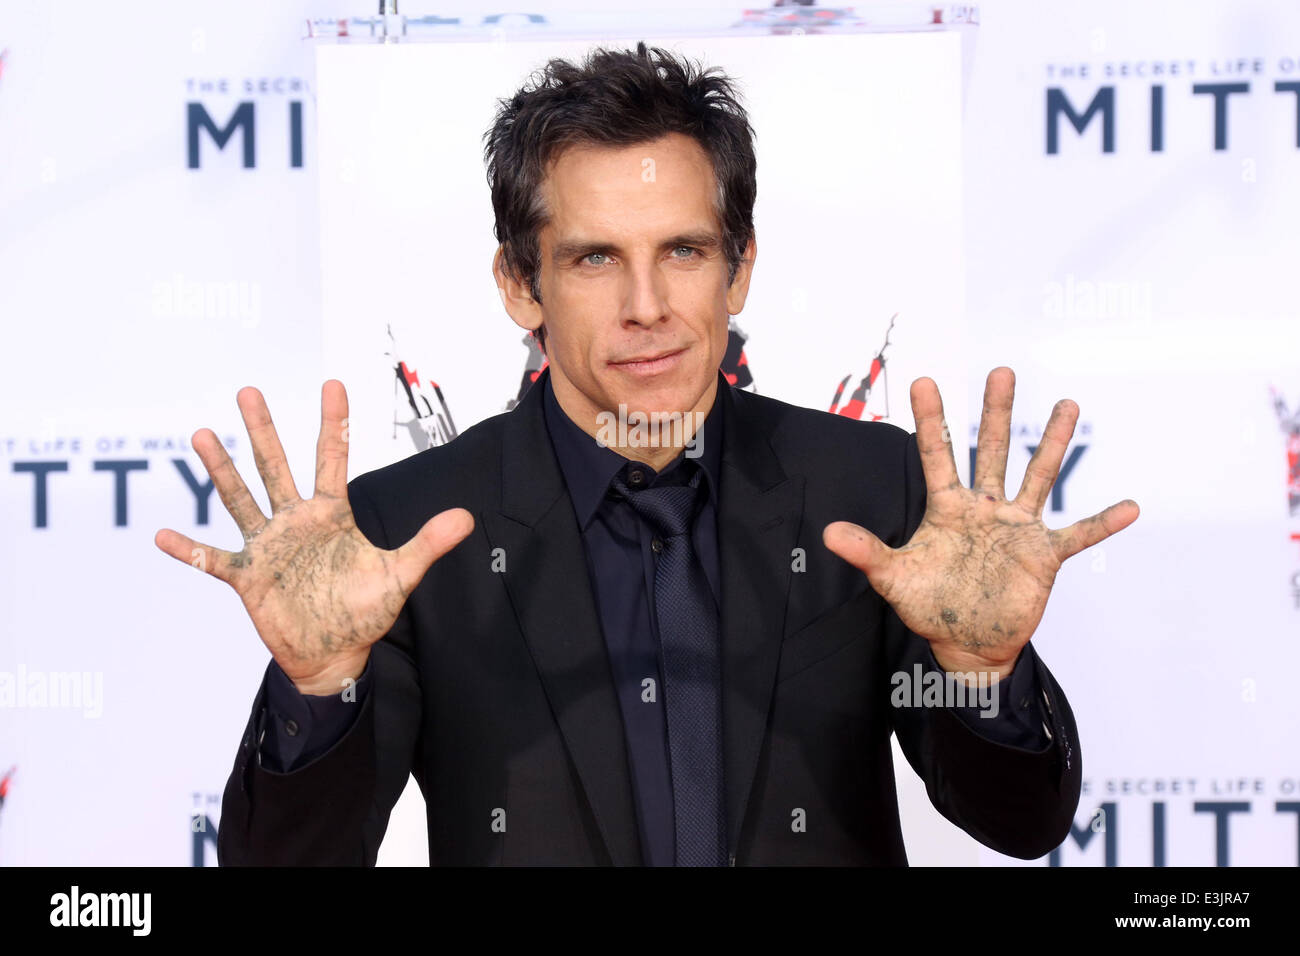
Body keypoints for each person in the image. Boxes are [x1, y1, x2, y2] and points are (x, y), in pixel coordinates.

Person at [155, 43, 1138, 866]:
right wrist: (319, 690)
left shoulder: (868, 487)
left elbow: (1020, 820)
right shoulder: (409, 529)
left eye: (683, 251)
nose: (647, 306)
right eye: (593, 258)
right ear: (518, 284)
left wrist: (979, 669)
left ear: (739, 266)